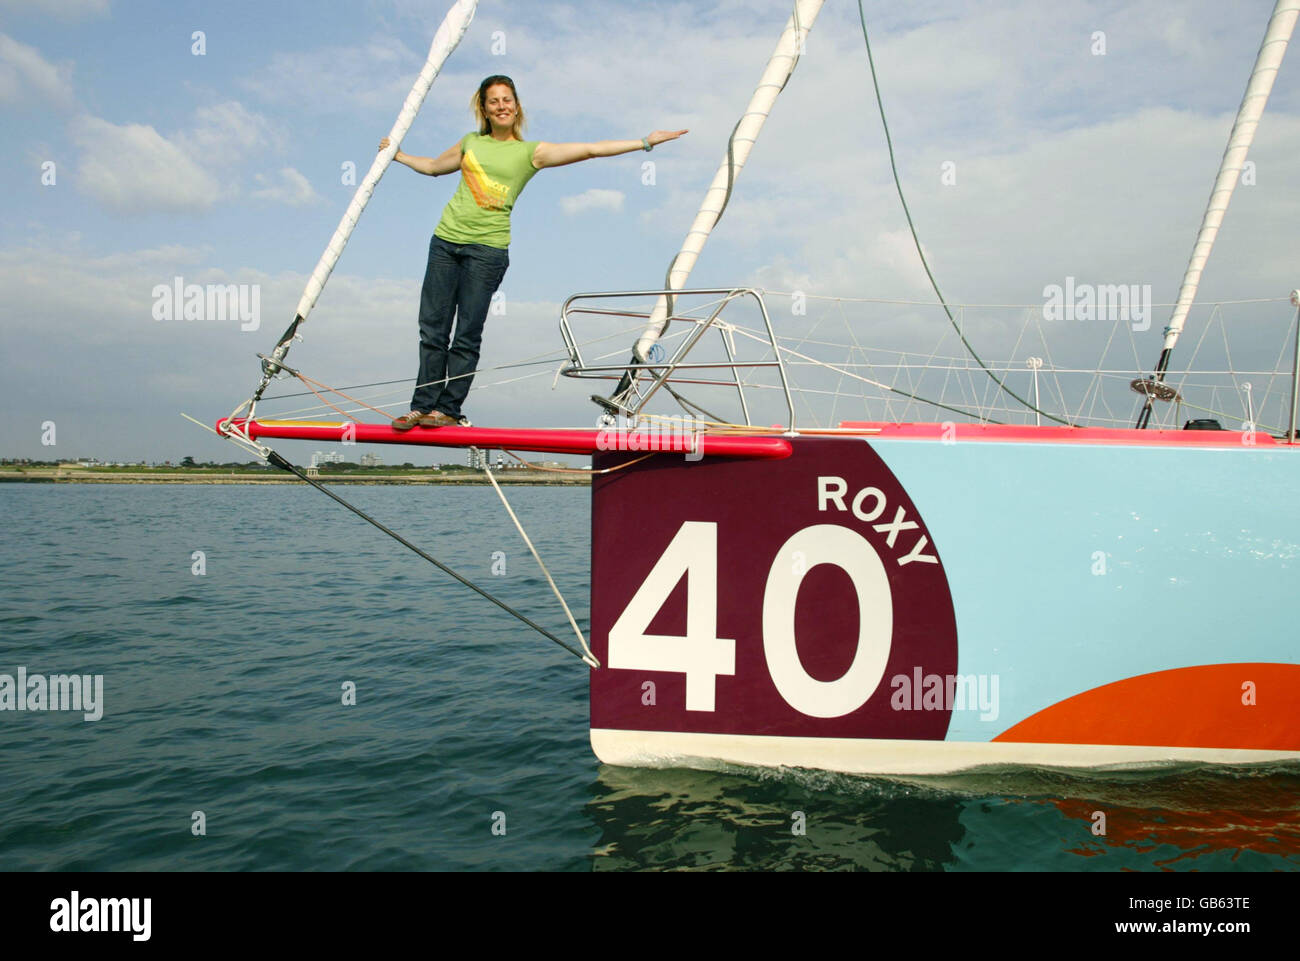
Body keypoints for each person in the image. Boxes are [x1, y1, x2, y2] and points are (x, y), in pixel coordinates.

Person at [381, 74, 687, 429]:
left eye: (507, 99)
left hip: (487, 250)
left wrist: (644, 142)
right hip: (445, 243)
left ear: (516, 106)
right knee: (432, 329)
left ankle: (447, 409)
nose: (501, 106)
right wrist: (398, 155)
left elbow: (590, 149)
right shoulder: (469, 143)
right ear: (484, 108)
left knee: (466, 332)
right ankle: (422, 405)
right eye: (493, 100)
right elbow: (434, 167)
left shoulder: (531, 152)